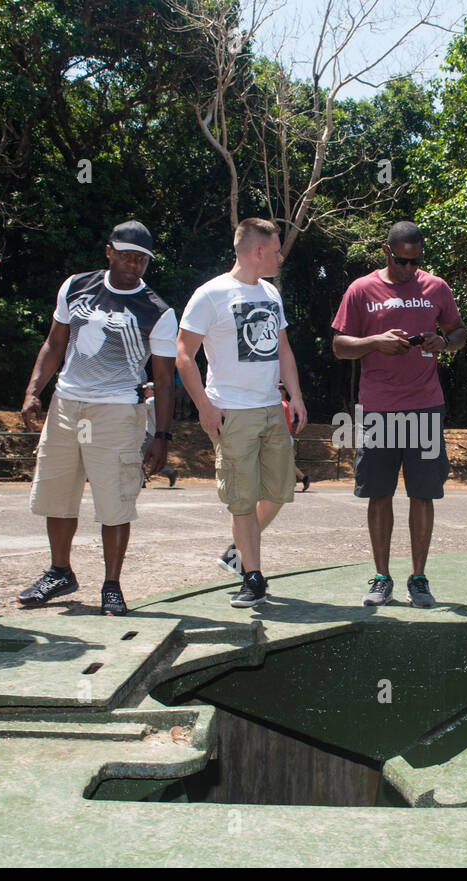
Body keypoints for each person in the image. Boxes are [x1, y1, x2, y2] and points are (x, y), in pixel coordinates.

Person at [18, 221, 178, 615]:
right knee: (57, 493)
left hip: (118, 410)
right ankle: (59, 572)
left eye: (141, 258)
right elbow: (54, 344)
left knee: (116, 500)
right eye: (125, 254)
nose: (133, 264)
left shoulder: (157, 310)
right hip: (67, 404)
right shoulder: (76, 286)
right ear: (109, 251)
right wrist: (33, 391)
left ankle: (112, 584)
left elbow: (163, 379)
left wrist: (161, 435)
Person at [331, 221, 466, 607]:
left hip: (425, 404)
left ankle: (418, 578)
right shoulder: (361, 289)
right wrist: (375, 342)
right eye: (402, 261)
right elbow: (340, 346)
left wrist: (444, 342)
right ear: (387, 252)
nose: (409, 269)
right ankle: (381, 578)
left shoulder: (436, 287)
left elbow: (459, 333)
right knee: (379, 493)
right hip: (378, 407)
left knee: (423, 494)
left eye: (416, 261)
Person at [176, 218, 306, 607]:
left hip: (270, 407)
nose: (282, 256)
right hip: (231, 411)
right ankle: (253, 577)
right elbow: (184, 355)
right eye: (277, 249)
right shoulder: (210, 294)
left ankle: (237, 553)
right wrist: (204, 406)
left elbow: (282, 350)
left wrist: (295, 396)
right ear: (258, 252)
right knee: (242, 500)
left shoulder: (270, 292)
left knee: (281, 491)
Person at [280, 382, 311, 492]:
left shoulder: (280, 405)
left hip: (281, 437)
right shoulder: (288, 404)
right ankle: (303, 478)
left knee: (280, 462)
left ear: (281, 392)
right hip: (288, 436)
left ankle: (301, 478)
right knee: (285, 462)